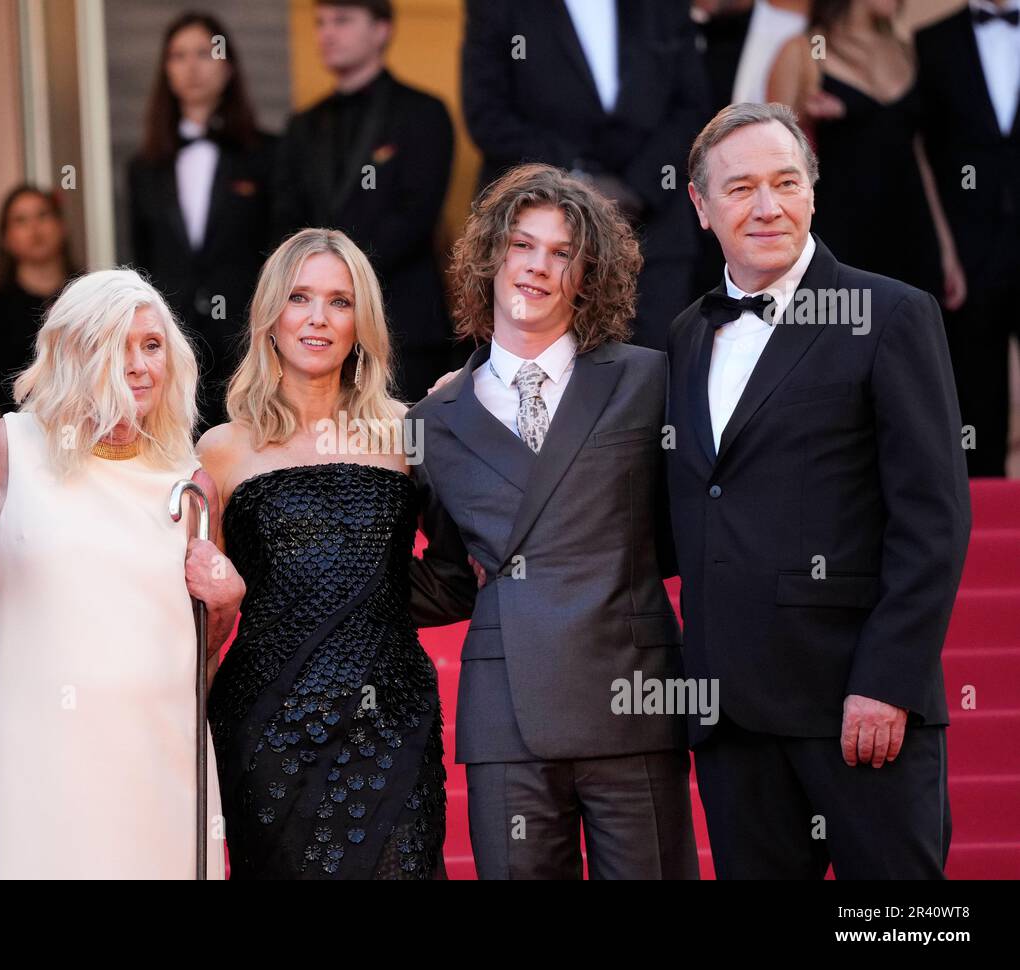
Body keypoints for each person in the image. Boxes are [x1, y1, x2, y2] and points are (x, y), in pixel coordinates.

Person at [667, 102, 970, 878]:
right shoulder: (687, 336)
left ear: (812, 192)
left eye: (785, 182)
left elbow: (933, 520)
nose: (767, 206)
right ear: (701, 207)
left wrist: (886, 682)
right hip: (730, 716)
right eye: (740, 189)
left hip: (857, 710)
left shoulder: (890, 314)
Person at [410, 163, 699, 880]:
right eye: (522, 245)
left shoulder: (648, 380)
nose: (538, 266)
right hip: (506, 714)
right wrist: (316, 594)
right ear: (491, 258)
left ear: (588, 274)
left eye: (562, 253)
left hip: (630, 698)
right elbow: (448, 576)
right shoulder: (435, 421)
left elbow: (687, 527)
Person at [0, 269, 244, 878]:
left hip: (156, 751)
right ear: (75, 352)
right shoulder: (14, 444)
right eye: (115, 346)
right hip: (39, 747)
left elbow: (206, 644)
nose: (139, 365)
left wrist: (227, 599)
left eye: (151, 345)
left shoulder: (189, 476)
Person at [199, 228, 447, 878]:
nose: (317, 318)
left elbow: (460, 562)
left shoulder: (409, 431)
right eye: (300, 298)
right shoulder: (221, 449)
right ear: (269, 316)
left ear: (360, 320)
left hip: (391, 719)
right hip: (268, 727)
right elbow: (196, 603)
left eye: (339, 301)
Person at [461, 0, 709, 350]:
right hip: (540, 232)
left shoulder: (664, 6)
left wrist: (636, 188)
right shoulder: (500, 7)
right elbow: (488, 115)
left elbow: (692, 108)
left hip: (655, 233)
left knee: (658, 381)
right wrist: (578, 184)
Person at [272, 0, 455, 402]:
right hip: (317, 335)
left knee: (409, 451)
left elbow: (416, 216)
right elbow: (284, 218)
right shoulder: (302, 126)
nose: (327, 33)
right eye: (320, 23)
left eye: (342, 20)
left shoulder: (424, 113)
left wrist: (342, 277)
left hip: (403, 324)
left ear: (381, 29)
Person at [129, 11, 276, 431]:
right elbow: (141, 263)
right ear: (165, 70)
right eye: (178, 56)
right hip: (172, 346)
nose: (191, 66)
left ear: (227, 67)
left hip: (247, 343)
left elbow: (277, 250)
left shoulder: (267, 154)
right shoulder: (144, 167)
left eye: (203, 53)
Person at [767, 0, 965, 305]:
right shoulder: (804, 50)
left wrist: (946, 248)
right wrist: (805, 118)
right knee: (845, 344)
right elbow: (771, 159)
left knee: (913, 344)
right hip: (842, 236)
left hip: (913, 234)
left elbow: (919, 156)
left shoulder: (903, 49)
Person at [917, 0, 1020, 477]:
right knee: (976, 390)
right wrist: (943, 249)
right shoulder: (932, 41)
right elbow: (926, 152)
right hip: (970, 249)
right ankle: (983, 515)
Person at [0, 184, 79, 414]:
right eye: (21, 220)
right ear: (6, 239)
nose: (34, 228)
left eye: (42, 215)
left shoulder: (89, 292)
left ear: (60, 225)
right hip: (28, 431)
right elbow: (1, 392)